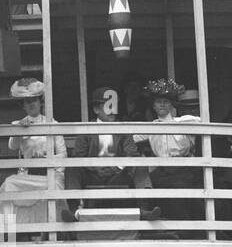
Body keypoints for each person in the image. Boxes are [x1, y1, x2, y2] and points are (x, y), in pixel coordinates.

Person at [0, 77, 67, 242]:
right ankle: (14, 232)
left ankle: (50, 231)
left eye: (34, 100)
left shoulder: (52, 123)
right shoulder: (20, 124)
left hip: (48, 172)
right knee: (9, 184)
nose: (31, 104)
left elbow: (63, 154)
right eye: (27, 102)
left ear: (40, 102)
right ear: (23, 105)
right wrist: (18, 130)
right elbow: (13, 146)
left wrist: (49, 161)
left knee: (54, 187)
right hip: (28, 174)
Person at [134, 79, 204, 233]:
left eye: (166, 101)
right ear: (153, 106)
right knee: (153, 186)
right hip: (162, 169)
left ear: (171, 104)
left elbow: (201, 121)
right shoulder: (150, 127)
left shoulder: (183, 122)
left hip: (183, 168)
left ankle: (186, 231)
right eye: (159, 102)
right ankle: (167, 229)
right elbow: (131, 137)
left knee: (177, 189)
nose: (162, 105)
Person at [65, 85, 143, 220]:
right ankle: (74, 211)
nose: (112, 111)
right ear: (96, 109)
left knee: (140, 165)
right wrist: (96, 168)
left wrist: (117, 167)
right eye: (107, 106)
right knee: (72, 168)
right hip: (93, 175)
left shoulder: (123, 128)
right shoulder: (86, 129)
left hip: (119, 175)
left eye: (113, 106)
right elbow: (78, 156)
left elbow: (132, 153)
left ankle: (144, 210)